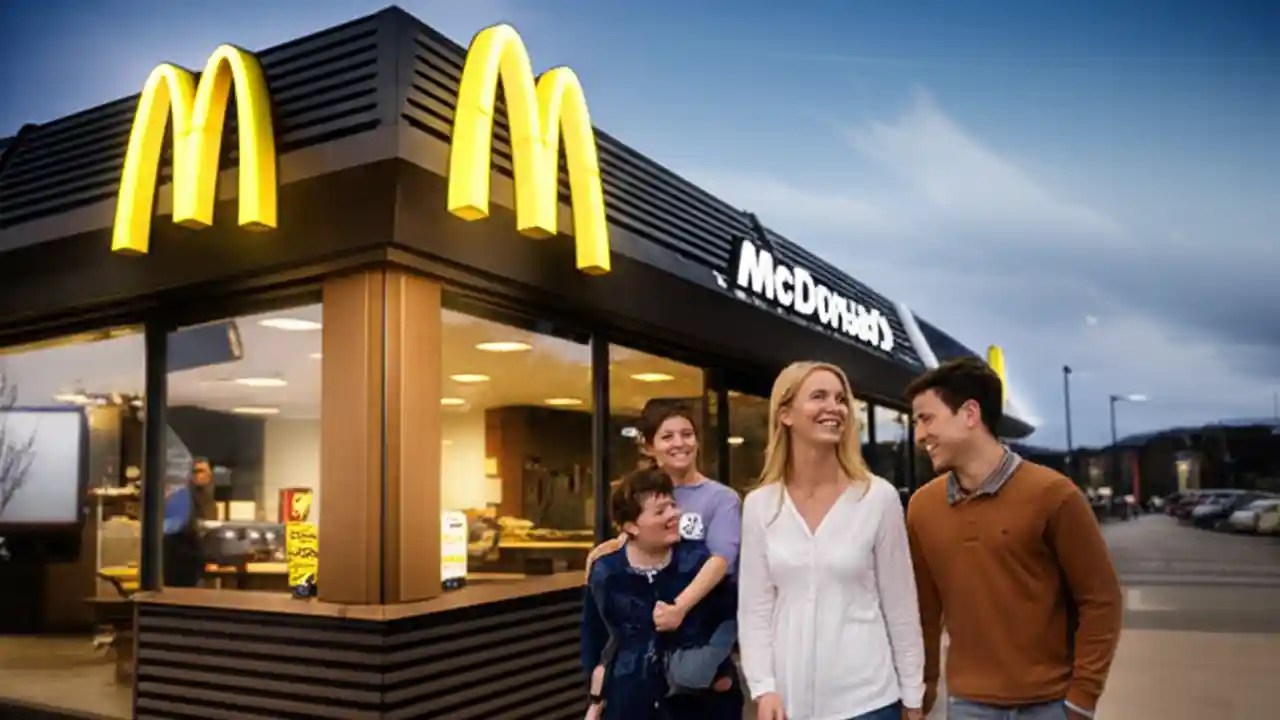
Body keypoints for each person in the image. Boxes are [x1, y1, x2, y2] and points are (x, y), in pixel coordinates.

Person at [904, 357, 1123, 720]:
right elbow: (924, 612)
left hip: (1050, 705)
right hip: (968, 705)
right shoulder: (922, 508)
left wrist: (1082, 698)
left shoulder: (1054, 495)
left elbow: (1101, 600)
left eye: (926, 419)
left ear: (970, 414)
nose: (919, 436)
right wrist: (921, 689)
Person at [738, 361, 925, 720]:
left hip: (868, 702)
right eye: (819, 396)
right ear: (785, 414)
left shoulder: (878, 498)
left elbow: (901, 606)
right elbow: (755, 610)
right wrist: (763, 688)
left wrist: (913, 697)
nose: (834, 408)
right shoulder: (761, 505)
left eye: (841, 399)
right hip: (788, 704)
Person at [580, 467, 743, 720]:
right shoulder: (607, 572)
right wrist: (596, 697)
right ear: (631, 526)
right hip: (630, 703)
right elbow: (595, 637)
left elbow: (728, 620)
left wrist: (720, 674)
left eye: (673, 506)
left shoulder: (696, 562)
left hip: (697, 703)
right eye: (660, 511)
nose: (674, 514)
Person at [586, 400, 742, 633]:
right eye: (667, 437)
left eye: (687, 434)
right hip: (647, 623)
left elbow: (722, 561)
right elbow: (632, 541)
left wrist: (679, 608)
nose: (679, 443)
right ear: (649, 447)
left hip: (705, 624)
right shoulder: (638, 491)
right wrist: (604, 553)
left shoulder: (722, 498)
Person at [162, 457, 218, 587]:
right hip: (181, 558)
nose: (199, 475)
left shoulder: (209, 498)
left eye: (203, 471)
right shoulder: (182, 496)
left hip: (198, 557)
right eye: (195, 471)